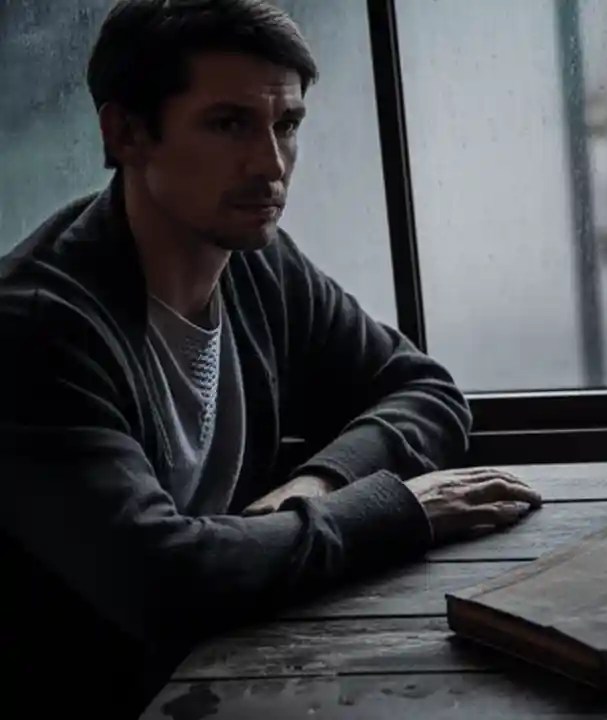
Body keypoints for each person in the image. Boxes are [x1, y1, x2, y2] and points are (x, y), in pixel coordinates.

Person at [0, 1, 541, 715]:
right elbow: (157, 577)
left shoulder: (254, 261)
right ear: (126, 132)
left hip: (225, 669)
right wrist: (395, 511)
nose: (271, 164)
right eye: (229, 125)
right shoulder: (36, 328)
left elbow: (425, 389)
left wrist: (317, 486)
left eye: (286, 125)